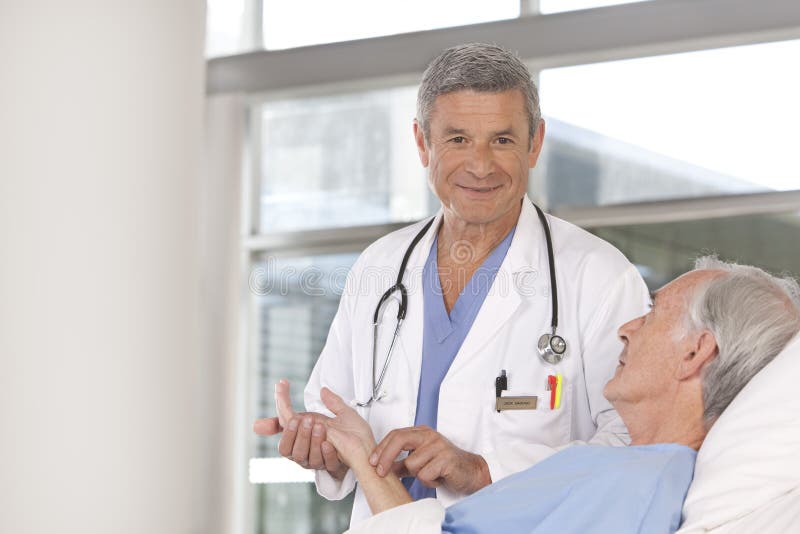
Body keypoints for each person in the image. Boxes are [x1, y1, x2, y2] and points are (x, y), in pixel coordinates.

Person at [254, 43, 650, 523]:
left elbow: (636, 442)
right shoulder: (380, 266)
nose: (480, 165)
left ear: (535, 142)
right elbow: (337, 413)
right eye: (458, 139)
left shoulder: (600, 275)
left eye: (502, 140)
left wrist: (484, 470)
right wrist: (323, 446)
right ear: (422, 143)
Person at [305, 258, 800, 533]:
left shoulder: (639, 483)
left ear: (695, 352)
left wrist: (360, 455)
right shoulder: (621, 470)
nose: (626, 329)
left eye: (650, 313)